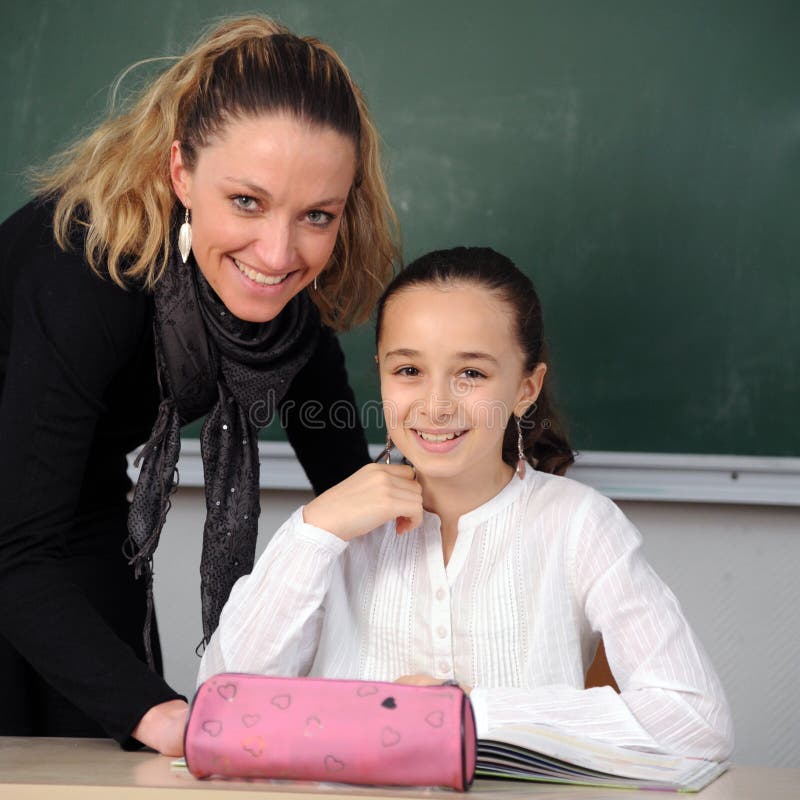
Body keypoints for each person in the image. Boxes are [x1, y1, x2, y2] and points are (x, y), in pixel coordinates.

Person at [0, 16, 398, 756]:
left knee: (110, 721)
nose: (278, 254)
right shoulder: (90, 272)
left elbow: (352, 492)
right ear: (180, 172)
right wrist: (174, 721)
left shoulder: (288, 308)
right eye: (246, 201)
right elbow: (15, 550)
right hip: (15, 513)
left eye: (318, 215)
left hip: (77, 495)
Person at [199, 247, 734, 761]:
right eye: (408, 371)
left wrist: (466, 714)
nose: (435, 405)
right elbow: (220, 702)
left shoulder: (579, 524)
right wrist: (313, 531)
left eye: (471, 374)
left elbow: (696, 721)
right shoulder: (334, 528)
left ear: (526, 388)